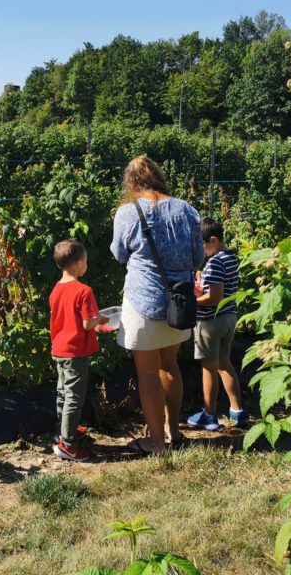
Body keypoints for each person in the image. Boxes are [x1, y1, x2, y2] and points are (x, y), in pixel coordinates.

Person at [110, 156, 204, 455]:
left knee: (148, 372)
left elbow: (119, 254)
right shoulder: (186, 209)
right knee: (170, 364)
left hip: (143, 300)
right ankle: (173, 431)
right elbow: (197, 258)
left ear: (131, 182)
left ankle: (156, 443)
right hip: (180, 301)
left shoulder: (128, 212)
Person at [49, 239, 109, 462]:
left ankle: (63, 430)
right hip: (75, 352)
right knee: (74, 398)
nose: (86, 265)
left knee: (63, 392)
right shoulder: (83, 291)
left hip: (59, 349)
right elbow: (87, 323)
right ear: (79, 263)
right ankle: (68, 444)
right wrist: (100, 319)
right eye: (86, 261)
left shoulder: (56, 289)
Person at [187, 218, 248, 430]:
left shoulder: (214, 262)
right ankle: (237, 411)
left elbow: (214, 297)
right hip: (229, 318)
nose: (201, 250)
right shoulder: (230, 258)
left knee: (208, 368)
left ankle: (209, 415)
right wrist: (202, 278)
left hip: (210, 322)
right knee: (224, 364)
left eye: (202, 245)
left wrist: (191, 301)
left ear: (213, 240)